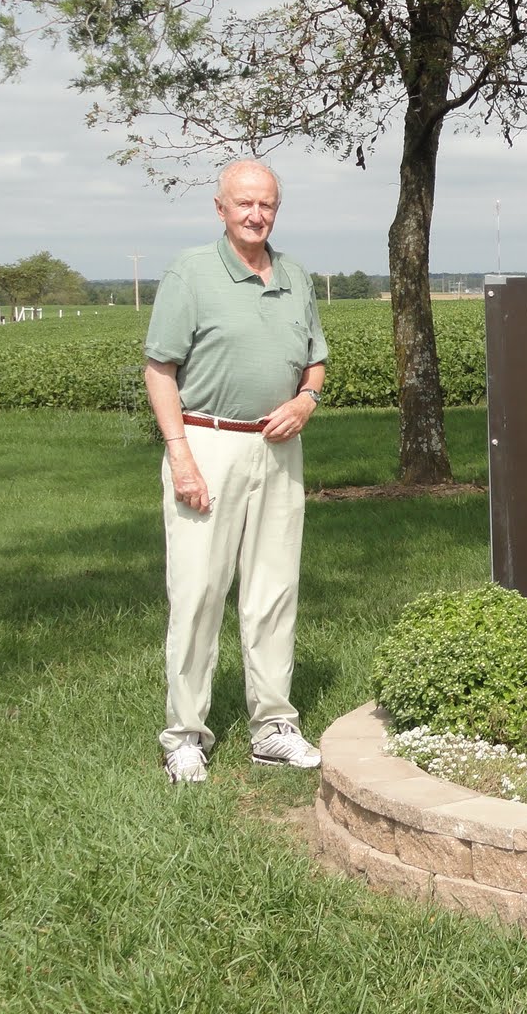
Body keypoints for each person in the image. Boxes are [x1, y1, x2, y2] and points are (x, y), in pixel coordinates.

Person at [143, 159, 328, 783]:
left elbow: (315, 365)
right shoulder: (190, 273)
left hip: (279, 451)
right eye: (245, 203)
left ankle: (273, 726)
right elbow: (160, 370)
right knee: (196, 595)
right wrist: (182, 457)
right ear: (220, 207)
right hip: (206, 444)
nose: (257, 215)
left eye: (268, 205)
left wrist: (306, 401)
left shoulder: (296, 276)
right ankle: (185, 736)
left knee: (273, 592)